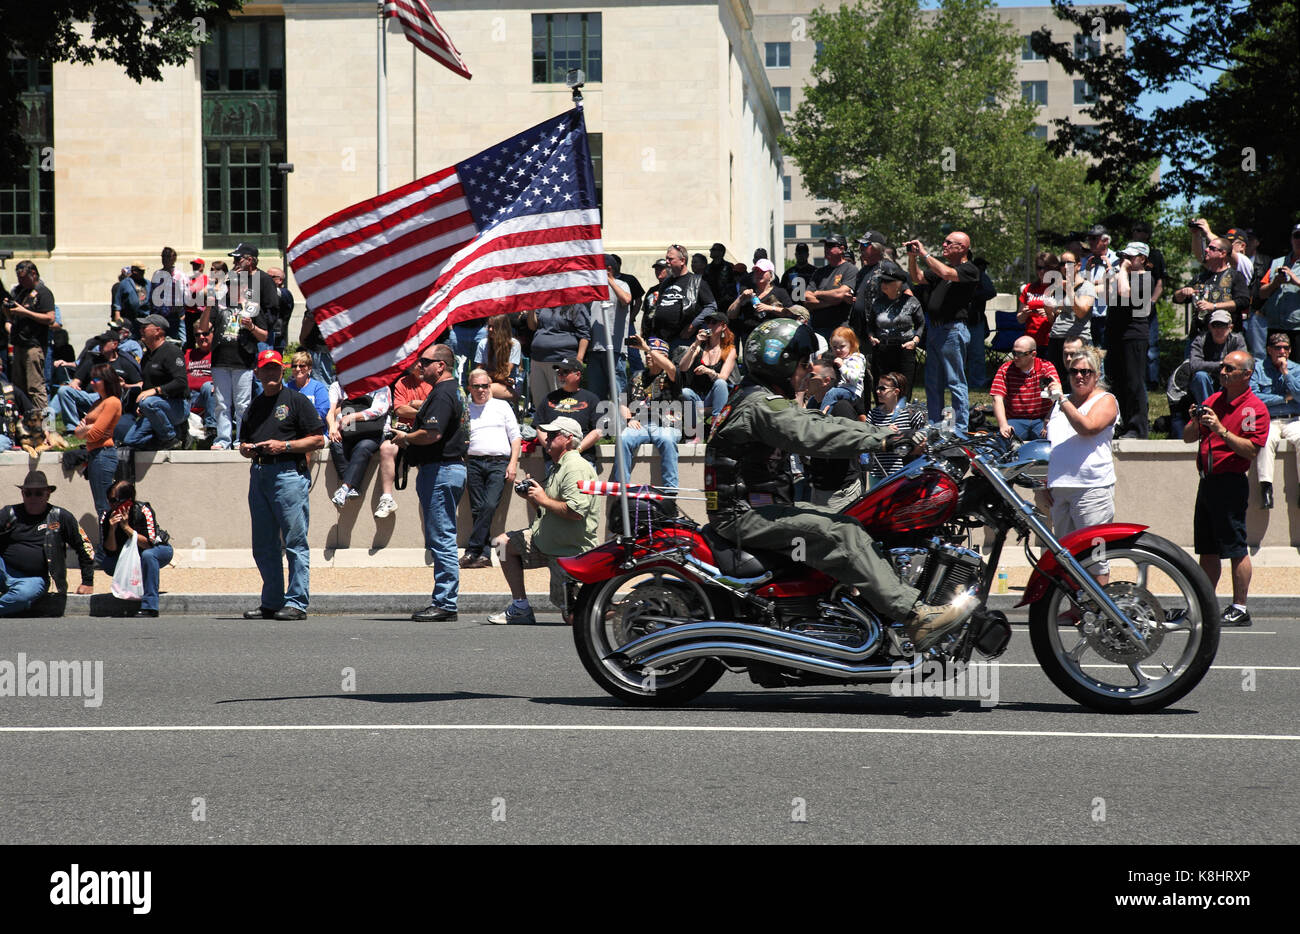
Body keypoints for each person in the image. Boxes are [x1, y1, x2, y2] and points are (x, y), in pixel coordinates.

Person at [706, 318, 977, 651]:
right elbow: (811, 434)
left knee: (853, 521)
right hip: (743, 515)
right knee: (842, 533)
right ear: (782, 362)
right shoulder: (760, 405)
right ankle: (916, 616)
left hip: (759, 507)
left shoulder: (758, 397)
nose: (807, 370)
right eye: (802, 362)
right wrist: (884, 439)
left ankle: (852, 608)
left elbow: (815, 421)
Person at [1182, 349, 1269, 627]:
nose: (1222, 372)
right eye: (1222, 367)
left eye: (1230, 369)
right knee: (1207, 549)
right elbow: (1187, 437)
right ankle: (1204, 605)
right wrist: (1196, 420)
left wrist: (1220, 429)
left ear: (1247, 375)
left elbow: (1251, 451)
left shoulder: (1254, 408)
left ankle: (1240, 606)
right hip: (1207, 480)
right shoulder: (1214, 400)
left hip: (1231, 482)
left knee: (1235, 547)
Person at [238, 350, 326, 621]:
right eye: (266, 369)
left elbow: (318, 439)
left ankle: (297, 602)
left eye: (276, 368)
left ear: (283, 370)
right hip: (260, 472)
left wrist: (284, 445)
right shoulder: (254, 406)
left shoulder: (296, 400)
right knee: (263, 544)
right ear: (258, 373)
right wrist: (247, 449)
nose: (271, 373)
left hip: (288, 474)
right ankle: (272, 601)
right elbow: (242, 443)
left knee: (294, 541)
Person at [487, 416, 599, 626]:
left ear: (568, 438)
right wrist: (532, 498)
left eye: (553, 434)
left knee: (574, 617)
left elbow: (575, 512)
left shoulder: (575, 467)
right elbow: (547, 510)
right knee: (502, 544)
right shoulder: (558, 466)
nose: (546, 438)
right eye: (547, 434)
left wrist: (543, 498)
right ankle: (520, 607)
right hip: (545, 541)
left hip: (569, 552)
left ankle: (629, 610)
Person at [392, 344, 467, 623]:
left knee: (442, 537)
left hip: (441, 470)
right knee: (441, 535)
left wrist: (406, 437)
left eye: (425, 362)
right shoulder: (448, 391)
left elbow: (432, 434)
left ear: (441, 366)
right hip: (445, 469)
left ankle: (445, 602)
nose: (419, 366)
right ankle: (445, 600)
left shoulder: (443, 393)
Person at [1043, 347, 1119, 575]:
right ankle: (1076, 609)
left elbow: (1087, 428)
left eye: (1086, 371)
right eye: (1074, 371)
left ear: (1096, 375)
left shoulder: (1106, 400)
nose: (1079, 376)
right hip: (1060, 488)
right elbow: (1054, 444)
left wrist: (1061, 400)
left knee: (1095, 560)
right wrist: (1047, 480)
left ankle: (1097, 609)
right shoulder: (1061, 403)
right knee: (1066, 557)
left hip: (1091, 490)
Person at [199, 248, 273, 449]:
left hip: (243, 361)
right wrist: (207, 306)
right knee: (222, 404)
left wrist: (252, 327)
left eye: (237, 285)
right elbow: (203, 328)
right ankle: (223, 440)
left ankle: (242, 438)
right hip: (220, 361)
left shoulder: (252, 307)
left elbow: (264, 335)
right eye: (230, 285)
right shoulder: (219, 306)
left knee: (243, 404)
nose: (233, 288)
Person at [905, 231, 979, 430]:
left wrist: (924, 254)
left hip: (952, 331)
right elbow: (917, 277)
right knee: (932, 382)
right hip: (936, 331)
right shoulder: (941, 271)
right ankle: (935, 425)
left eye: (949, 242)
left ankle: (960, 428)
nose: (944, 245)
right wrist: (912, 257)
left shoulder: (969, 269)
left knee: (955, 382)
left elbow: (947, 274)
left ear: (962, 247)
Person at [0, 471, 95, 616]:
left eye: (38, 493)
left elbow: (85, 547)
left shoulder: (60, 517)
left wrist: (87, 582)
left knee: (24, 595)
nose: (33, 498)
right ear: (22, 494)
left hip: (33, 579)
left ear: (48, 494)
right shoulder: (9, 513)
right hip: (4, 570)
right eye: (28, 493)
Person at [461, 368, 521, 569]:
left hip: (499, 463)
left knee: (488, 506)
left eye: (485, 386)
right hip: (474, 463)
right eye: (476, 386)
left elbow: (516, 437)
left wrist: (513, 463)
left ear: (490, 386)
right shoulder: (466, 408)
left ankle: (472, 549)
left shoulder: (502, 406)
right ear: (470, 388)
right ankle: (484, 556)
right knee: (477, 509)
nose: (481, 390)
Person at [618, 336, 688, 499]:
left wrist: (646, 348)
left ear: (663, 357)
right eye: (646, 353)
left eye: (653, 353)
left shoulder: (672, 375)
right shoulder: (636, 376)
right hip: (640, 425)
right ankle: (622, 488)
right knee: (624, 438)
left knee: (666, 438)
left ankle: (670, 492)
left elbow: (671, 367)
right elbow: (622, 402)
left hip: (667, 425)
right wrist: (629, 419)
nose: (648, 355)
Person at [71, 363, 124, 556]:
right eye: (91, 379)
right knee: (100, 505)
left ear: (107, 380)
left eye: (96, 379)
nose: (92, 383)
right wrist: (87, 430)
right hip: (95, 456)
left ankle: (107, 552)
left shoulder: (112, 402)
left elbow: (95, 434)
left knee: (104, 506)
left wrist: (86, 430)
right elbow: (77, 432)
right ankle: (107, 550)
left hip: (103, 454)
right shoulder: (97, 403)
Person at [98, 480, 172, 617]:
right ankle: (132, 589)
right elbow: (110, 551)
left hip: (157, 550)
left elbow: (149, 544)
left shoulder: (143, 510)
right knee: (108, 563)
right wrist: (112, 530)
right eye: (109, 500)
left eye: (115, 500)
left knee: (148, 556)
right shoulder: (106, 516)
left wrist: (126, 528)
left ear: (128, 500)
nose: (111, 505)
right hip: (129, 556)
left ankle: (150, 606)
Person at [373, 355, 432, 519]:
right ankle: (387, 498)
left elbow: (436, 411)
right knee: (386, 448)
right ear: (408, 365)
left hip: (426, 433)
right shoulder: (402, 382)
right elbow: (400, 410)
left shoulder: (433, 382)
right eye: (416, 362)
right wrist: (424, 408)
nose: (420, 366)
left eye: (423, 362)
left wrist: (415, 405)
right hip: (404, 432)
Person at [47, 329, 142, 431]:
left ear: (114, 344)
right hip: (91, 396)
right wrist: (74, 384)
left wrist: (125, 386)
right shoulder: (92, 360)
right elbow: (77, 379)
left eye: (104, 342)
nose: (100, 345)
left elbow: (140, 384)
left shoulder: (125, 363)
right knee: (63, 390)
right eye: (100, 342)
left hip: (112, 399)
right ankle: (71, 428)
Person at [1107, 241, 1156, 437]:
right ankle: (1120, 422)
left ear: (1142, 259)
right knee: (1116, 381)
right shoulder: (1122, 276)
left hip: (1134, 336)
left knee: (1134, 383)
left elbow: (1125, 293)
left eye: (1129, 257)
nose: (1124, 260)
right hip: (1115, 335)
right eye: (1123, 256)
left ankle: (1137, 428)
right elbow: (1107, 293)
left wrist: (1123, 271)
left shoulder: (1145, 279)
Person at [803, 357, 864, 508]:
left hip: (840, 492)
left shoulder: (841, 407)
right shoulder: (813, 405)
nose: (806, 379)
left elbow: (851, 445)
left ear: (826, 381)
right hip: (818, 487)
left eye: (811, 376)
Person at [120, 315, 189, 450]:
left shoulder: (172, 352)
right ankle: (172, 436)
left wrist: (155, 391)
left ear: (157, 331)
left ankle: (170, 438)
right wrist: (143, 406)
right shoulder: (147, 357)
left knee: (148, 402)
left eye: (145, 327)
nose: (141, 330)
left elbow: (181, 382)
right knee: (130, 440)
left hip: (178, 406)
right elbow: (147, 385)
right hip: (154, 407)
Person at [1249, 333, 1300, 509]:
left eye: (1286, 348)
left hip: (1293, 419)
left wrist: (1286, 373)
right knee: (1265, 440)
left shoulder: (1296, 369)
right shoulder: (1258, 369)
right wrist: (1284, 398)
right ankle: (1266, 489)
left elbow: (1299, 395)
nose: (1282, 351)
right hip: (1268, 419)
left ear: (1290, 350)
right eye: (1277, 347)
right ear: (1269, 350)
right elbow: (1255, 397)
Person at [863, 260, 924, 400]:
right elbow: (870, 324)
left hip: (904, 349)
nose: (883, 284)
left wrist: (914, 341)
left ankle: (901, 415)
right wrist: (872, 336)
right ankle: (881, 415)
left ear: (898, 285)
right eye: (882, 281)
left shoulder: (911, 302)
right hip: (882, 348)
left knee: (903, 385)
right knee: (881, 384)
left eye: (887, 282)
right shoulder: (877, 302)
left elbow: (921, 324)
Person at [1173, 233, 1249, 343]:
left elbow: (1243, 301)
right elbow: (1176, 299)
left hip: (1226, 338)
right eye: (1207, 247)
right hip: (1199, 336)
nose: (1206, 250)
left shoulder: (1236, 276)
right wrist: (1183, 292)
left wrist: (1213, 306)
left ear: (1223, 253)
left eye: (1212, 248)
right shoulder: (1200, 277)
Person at [641, 243, 718, 349]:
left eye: (670, 259)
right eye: (666, 258)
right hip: (661, 338)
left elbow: (711, 306)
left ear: (682, 261)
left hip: (683, 339)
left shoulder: (696, 281)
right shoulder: (666, 282)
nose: (667, 262)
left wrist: (692, 325)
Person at [326, 382, 390, 508]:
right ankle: (352, 486)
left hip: (374, 432)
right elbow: (342, 412)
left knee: (363, 447)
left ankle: (344, 488)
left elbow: (379, 409)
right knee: (335, 444)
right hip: (350, 432)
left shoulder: (381, 384)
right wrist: (335, 426)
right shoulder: (344, 386)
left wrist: (353, 417)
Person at [4, 260, 55, 413]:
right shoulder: (20, 292)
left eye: (24, 278)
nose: (21, 281)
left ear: (33, 274)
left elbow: (50, 318)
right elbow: (10, 318)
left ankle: (48, 427)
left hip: (34, 346)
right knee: (18, 388)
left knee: (36, 388)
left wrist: (25, 312)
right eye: (19, 278)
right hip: (18, 345)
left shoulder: (43, 292)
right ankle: (22, 424)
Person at [539, 356, 603, 473]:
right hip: (554, 461)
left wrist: (577, 450)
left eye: (565, 372)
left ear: (577, 375)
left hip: (582, 459)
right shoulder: (549, 398)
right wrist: (551, 448)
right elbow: (540, 427)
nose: (561, 375)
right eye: (559, 372)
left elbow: (598, 431)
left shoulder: (591, 399)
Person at [525, 302, 591, 417]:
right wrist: (532, 308)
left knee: (561, 402)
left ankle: (562, 431)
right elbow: (532, 326)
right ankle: (544, 429)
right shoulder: (543, 302)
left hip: (562, 360)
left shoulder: (576, 306)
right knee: (540, 400)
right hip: (538, 359)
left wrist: (579, 359)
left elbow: (585, 334)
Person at [991, 336, 1059, 445]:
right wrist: (1003, 425)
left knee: (1054, 439)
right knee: (1004, 441)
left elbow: (1057, 397)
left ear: (1033, 354)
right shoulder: (1005, 369)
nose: (1015, 357)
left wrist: (1048, 419)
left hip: (1041, 419)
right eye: (1014, 353)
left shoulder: (1046, 367)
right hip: (1016, 419)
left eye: (1020, 354)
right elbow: (997, 399)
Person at [677, 312, 737, 429]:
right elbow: (682, 367)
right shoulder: (698, 348)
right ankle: (694, 431)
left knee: (720, 383)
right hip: (697, 397)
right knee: (685, 392)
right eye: (708, 322)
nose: (709, 326)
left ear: (723, 326)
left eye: (714, 323)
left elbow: (723, 378)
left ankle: (716, 426)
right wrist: (696, 343)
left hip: (714, 398)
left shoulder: (730, 350)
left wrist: (708, 371)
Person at [865, 371, 926, 486]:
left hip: (903, 476)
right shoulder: (874, 414)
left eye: (882, 388)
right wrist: (882, 431)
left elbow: (924, 441)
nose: (877, 391)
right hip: (877, 475)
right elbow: (865, 437)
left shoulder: (911, 413)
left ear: (896, 392)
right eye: (877, 388)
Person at [587, 259, 634, 402]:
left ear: (608, 269)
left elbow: (626, 299)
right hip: (594, 349)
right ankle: (598, 422)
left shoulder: (622, 284)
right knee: (595, 394)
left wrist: (609, 280)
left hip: (614, 349)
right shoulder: (592, 288)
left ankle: (621, 422)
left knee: (618, 393)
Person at [1044, 250, 1097, 378]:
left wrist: (1068, 289)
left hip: (1077, 340)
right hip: (1056, 337)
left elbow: (1081, 312)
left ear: (1078, 265)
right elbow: (1053, 319)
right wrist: (1048, 310)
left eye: (1069, 263)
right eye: (1062, 264)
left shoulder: (1087, 286)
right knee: (1055, 379)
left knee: (1078, 379)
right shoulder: (1057, 287)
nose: (1065, 267)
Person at [802, 234, 859, 342]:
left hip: (839, 330)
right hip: (817, 328)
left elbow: (840, 293)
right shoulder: (819, 272)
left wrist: (818, 293)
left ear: (842, 248)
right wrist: (832, 302)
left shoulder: (850, 269)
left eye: (830, 246)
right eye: (825, 246)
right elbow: (806, 298)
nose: (826, 249)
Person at [727, 258, 793, 344]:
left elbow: (791, 313)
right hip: (750, 339)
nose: (759, 274)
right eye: (756, 271)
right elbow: (730, 315)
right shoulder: (749, 294)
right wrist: (740, 298)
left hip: (772, 339)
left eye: (763, 271)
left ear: (770, 275)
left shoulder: (780, 292)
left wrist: (769, 308)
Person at [1188, 310, 1248, 404]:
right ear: (1209, 327)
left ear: (1230, 327)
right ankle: (1207, 409)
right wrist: (1221, 365)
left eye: (1223, 325)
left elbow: (1244, 363)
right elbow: (1194, 365)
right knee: (1200, 376)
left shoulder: (1237, 340)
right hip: (1207, 380)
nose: (1219, 330)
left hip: (1229, 379)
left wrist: (1224, 368)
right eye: (1215, 325)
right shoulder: (1200, 340)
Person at [1258, 225, 1300, 350]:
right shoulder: (1278, 262)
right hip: (1275, 327)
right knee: (1273, 366)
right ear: (1291, 239)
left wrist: (1295, 281)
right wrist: (1275, 283)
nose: (1299, 240)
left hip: (1297, 328)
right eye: (1296, 236)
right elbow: (1262, 294)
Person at [1081, 225, 1118, 348]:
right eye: (1089, 239)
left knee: (1106, 354)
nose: (1090, 242)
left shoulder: (1116, 260)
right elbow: (1080, 286)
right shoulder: (1085, 261)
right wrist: (1099, 282)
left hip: (1107, 316)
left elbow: (1114, 285)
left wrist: (1092, 284)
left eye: (1094, 239)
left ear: (1106, 241)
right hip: (1088, 316)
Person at [474, 313, 523, 404]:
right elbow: (477, 371)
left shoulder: (514, 344)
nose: (490, 329)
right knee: (478, 389)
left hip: (510, 387)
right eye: (489, 326)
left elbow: (505, 374)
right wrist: (487, 378)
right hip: (488, 382)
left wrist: (488, 376)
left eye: (494, 327)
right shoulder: (483, 344)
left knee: (485, 390)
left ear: (503, 328)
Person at [1017, 252, 1061, 352]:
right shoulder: (1029, 288)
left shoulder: (1058, 289)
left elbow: (1061, 320)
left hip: (1050, 341)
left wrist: (1049, 314)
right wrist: (1024, 314)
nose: (1042, 271)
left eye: (1046, 268)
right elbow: (1020, 319)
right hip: (1030, 341)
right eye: (1039, 268)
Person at [184, 323, 218, 447]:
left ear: (214, 334)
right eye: (197, 334)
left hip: (209, 396)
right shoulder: (188, 354)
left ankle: (211, 430)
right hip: (188, 396)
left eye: (205, 333)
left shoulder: (219, 353)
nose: (201, 337)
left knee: (208, 387)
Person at [148, 247, 188, 345]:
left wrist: (183, 312)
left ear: (173, 258)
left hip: (175, 316)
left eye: (168, 257)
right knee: (159, 341)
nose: (165, 259)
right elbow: (152, 295)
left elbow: (186, 295)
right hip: (159, 315)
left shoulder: (180, 275)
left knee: (179, 342)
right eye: (163, 257)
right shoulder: (157, 274)